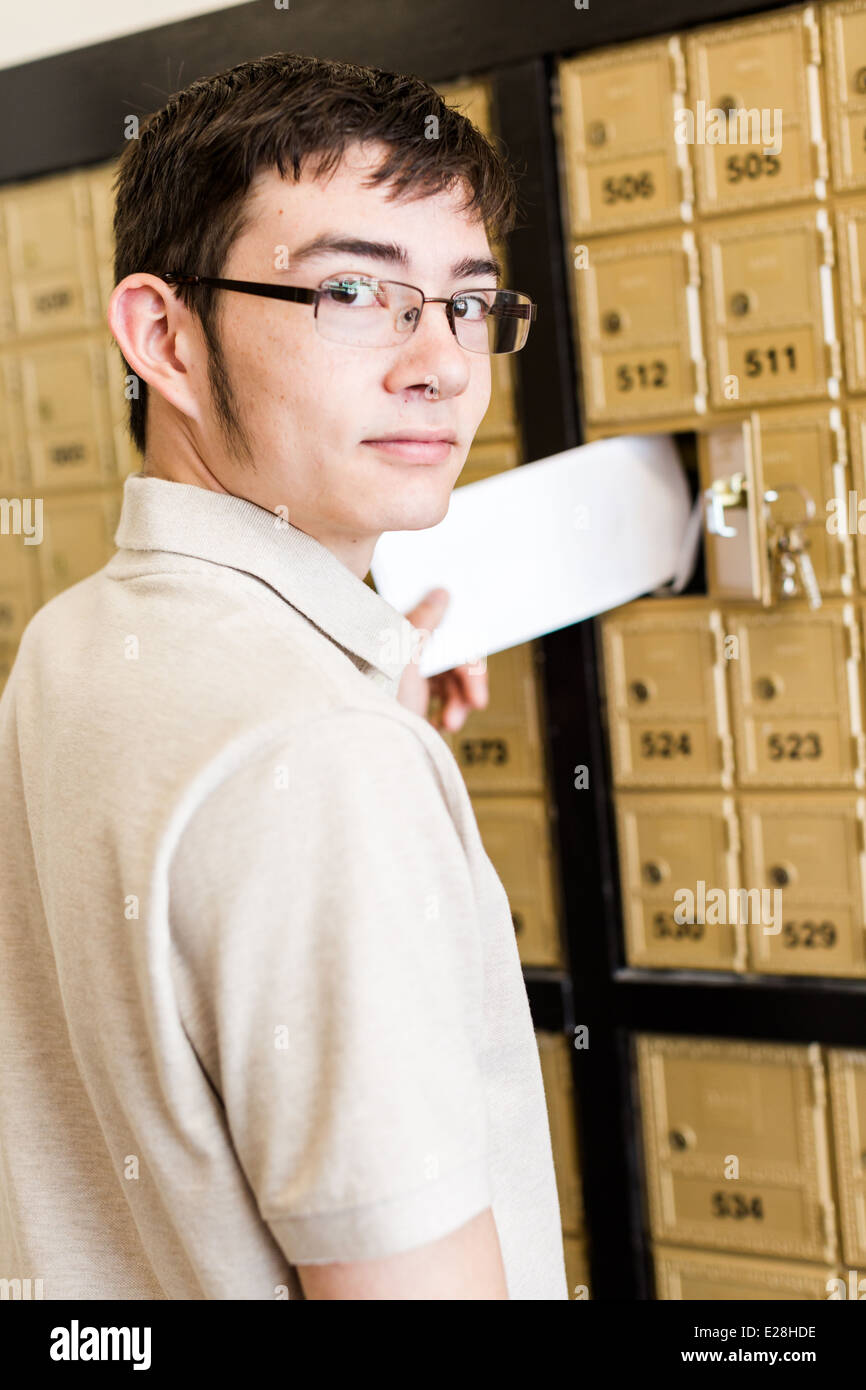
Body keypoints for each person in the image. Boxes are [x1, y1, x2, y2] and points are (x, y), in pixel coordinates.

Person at [0, 52, 567, 1300]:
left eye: (466, 301)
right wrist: (354, 769)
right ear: (165, 335)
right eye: (355, 291)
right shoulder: (320, 761)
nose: (442, 364)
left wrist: (364, 732)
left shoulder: (71, 643)